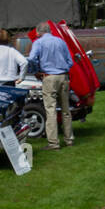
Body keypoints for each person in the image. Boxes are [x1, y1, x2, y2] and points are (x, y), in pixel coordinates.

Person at [27, 21, 74, 149]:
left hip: (49, 77)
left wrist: (36, 70)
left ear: (38, 32)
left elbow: (31, 59)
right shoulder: (60, 41)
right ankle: (69, 139)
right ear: (50, 31)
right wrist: (64, 69)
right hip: (64, 76)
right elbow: (70, 61)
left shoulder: (38, 42)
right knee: (66, 110)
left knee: (50, 110)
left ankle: (53, 142)